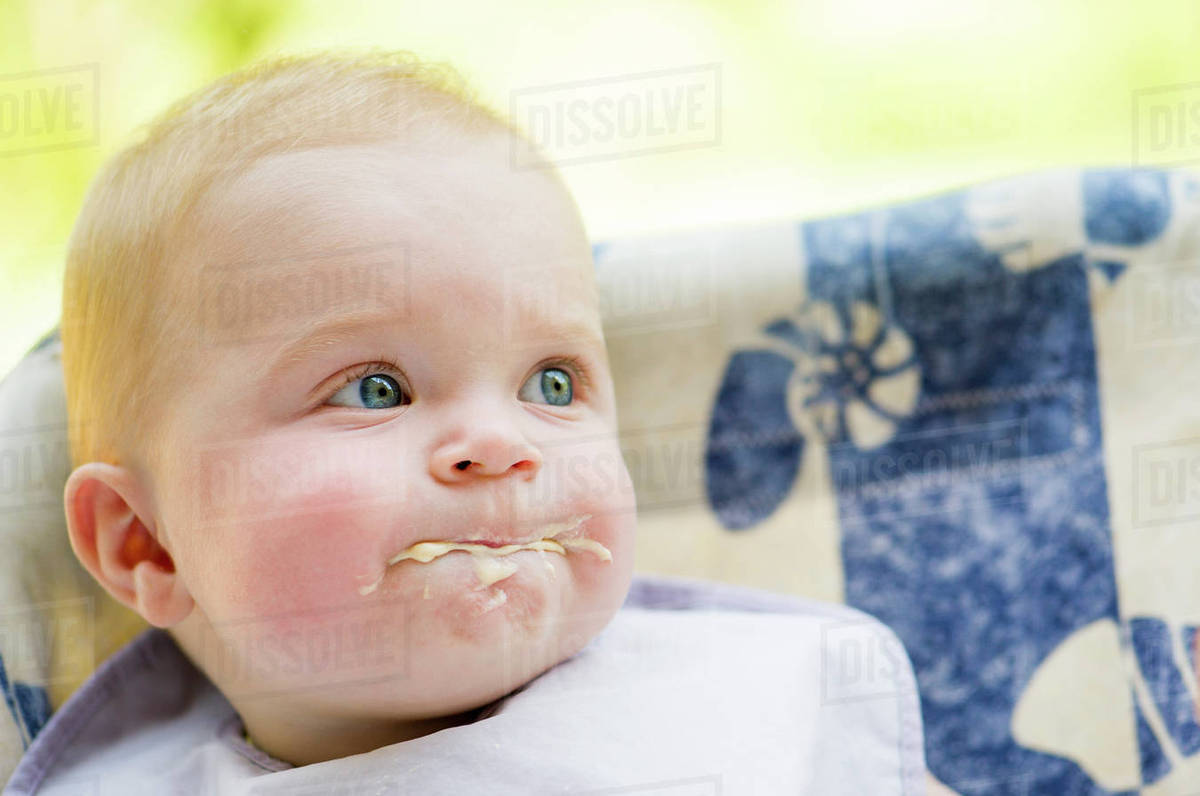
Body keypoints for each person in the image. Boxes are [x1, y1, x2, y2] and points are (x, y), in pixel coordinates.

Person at [5, 49, 926, 794]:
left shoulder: (742, 696)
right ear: (147, 546)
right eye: (375, 389)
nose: (502, 443)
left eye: (553, 385)